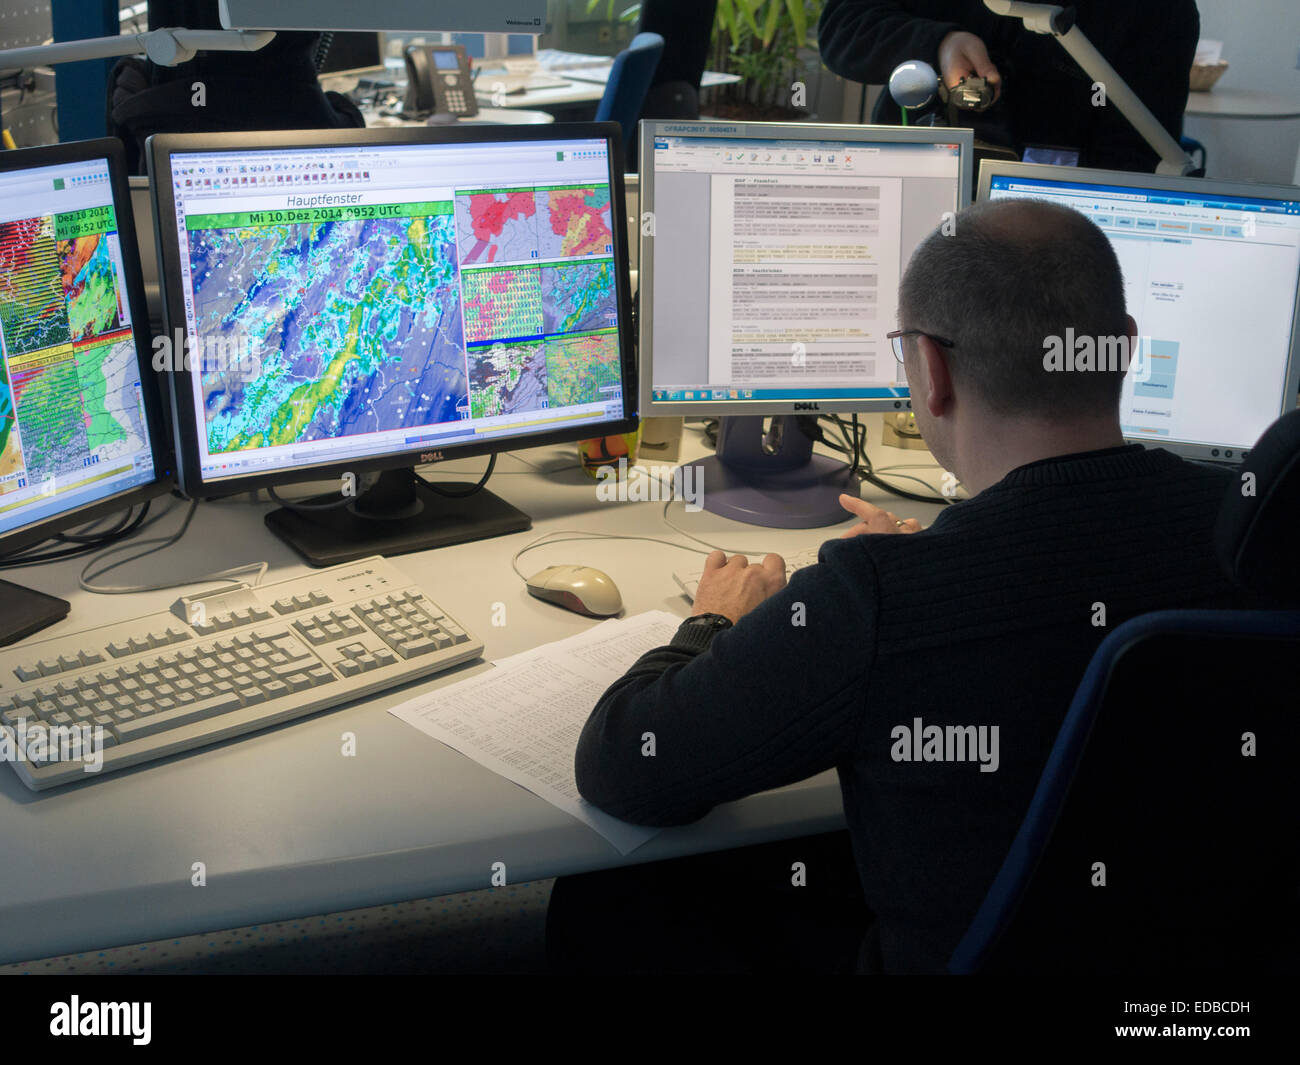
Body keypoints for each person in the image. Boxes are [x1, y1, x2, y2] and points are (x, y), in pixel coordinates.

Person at [548, 198, 1257, 974]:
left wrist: (715, 622)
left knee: (603, 897)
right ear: (1120, 350)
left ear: (933, 370)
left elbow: (622, 765)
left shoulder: (881, 596)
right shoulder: (1258, 536)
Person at [817, 0, 1199, 172]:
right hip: (911, 180)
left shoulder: (1158, 12)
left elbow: (1134, 159)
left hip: (1049, 223)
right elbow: (843, 29)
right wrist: (938, 44)